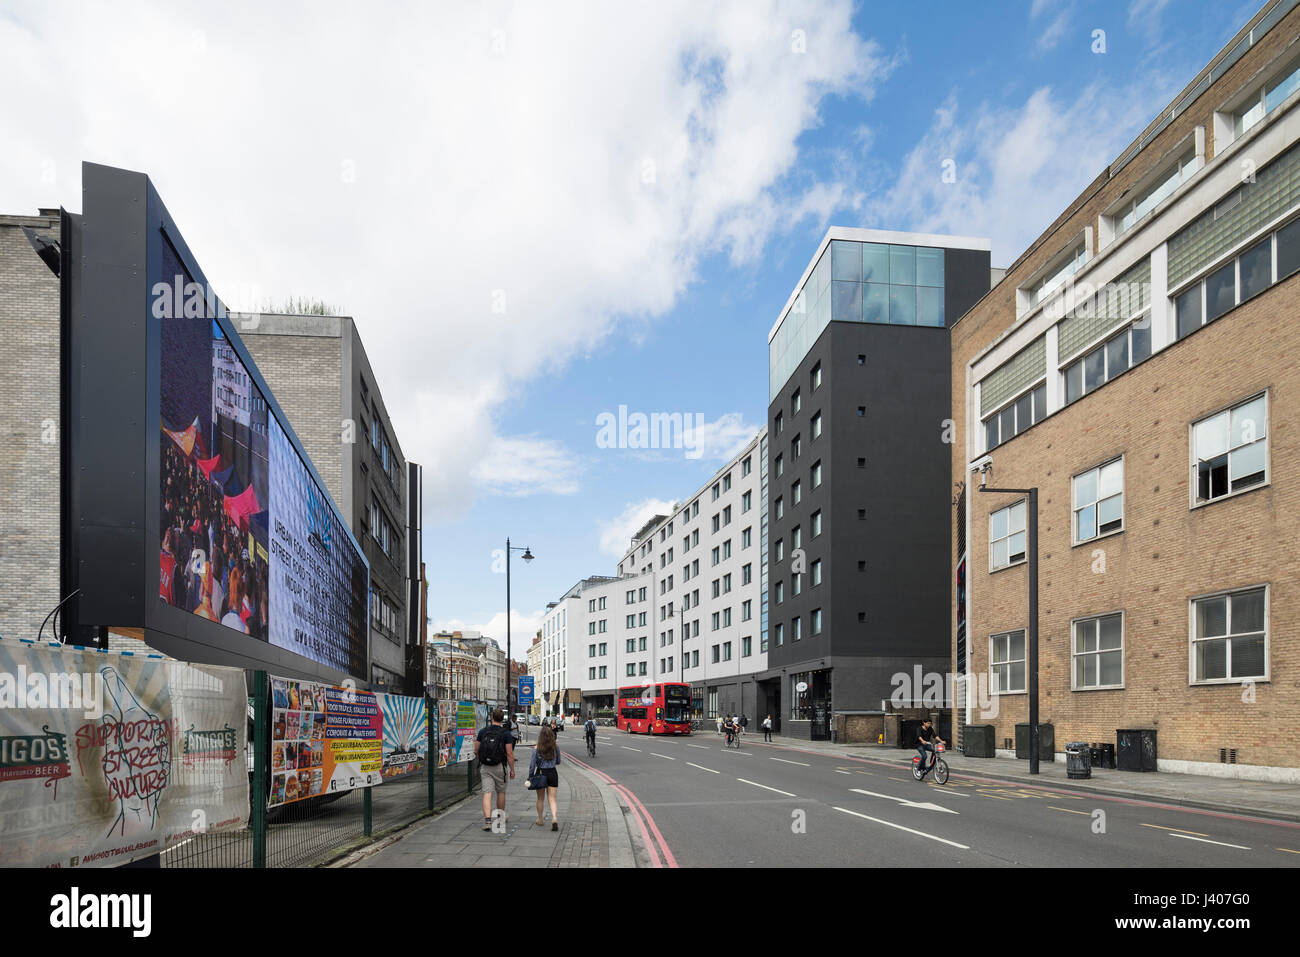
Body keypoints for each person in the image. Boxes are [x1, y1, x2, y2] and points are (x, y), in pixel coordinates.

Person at [475, 708, 516, 830]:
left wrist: (483, 760)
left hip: (486, 767)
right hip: (500, 766)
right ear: (502, 719)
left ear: (491, 717)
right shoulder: (506, 734)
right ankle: (499, 818)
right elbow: (509, 754)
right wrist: (512, 769)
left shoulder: (483, 732)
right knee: (501, 792)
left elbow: (476, 750)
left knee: (487, 793)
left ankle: (488, 821)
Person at [530, 725, 561, 831]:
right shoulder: (555, 747)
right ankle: (554, 818)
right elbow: (558, 761)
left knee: (540, 799)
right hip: (552, 772)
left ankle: (540, 820)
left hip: (541, 773)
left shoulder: (537, 748)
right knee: (552, 798)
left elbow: (532, 765)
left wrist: (530, 776)